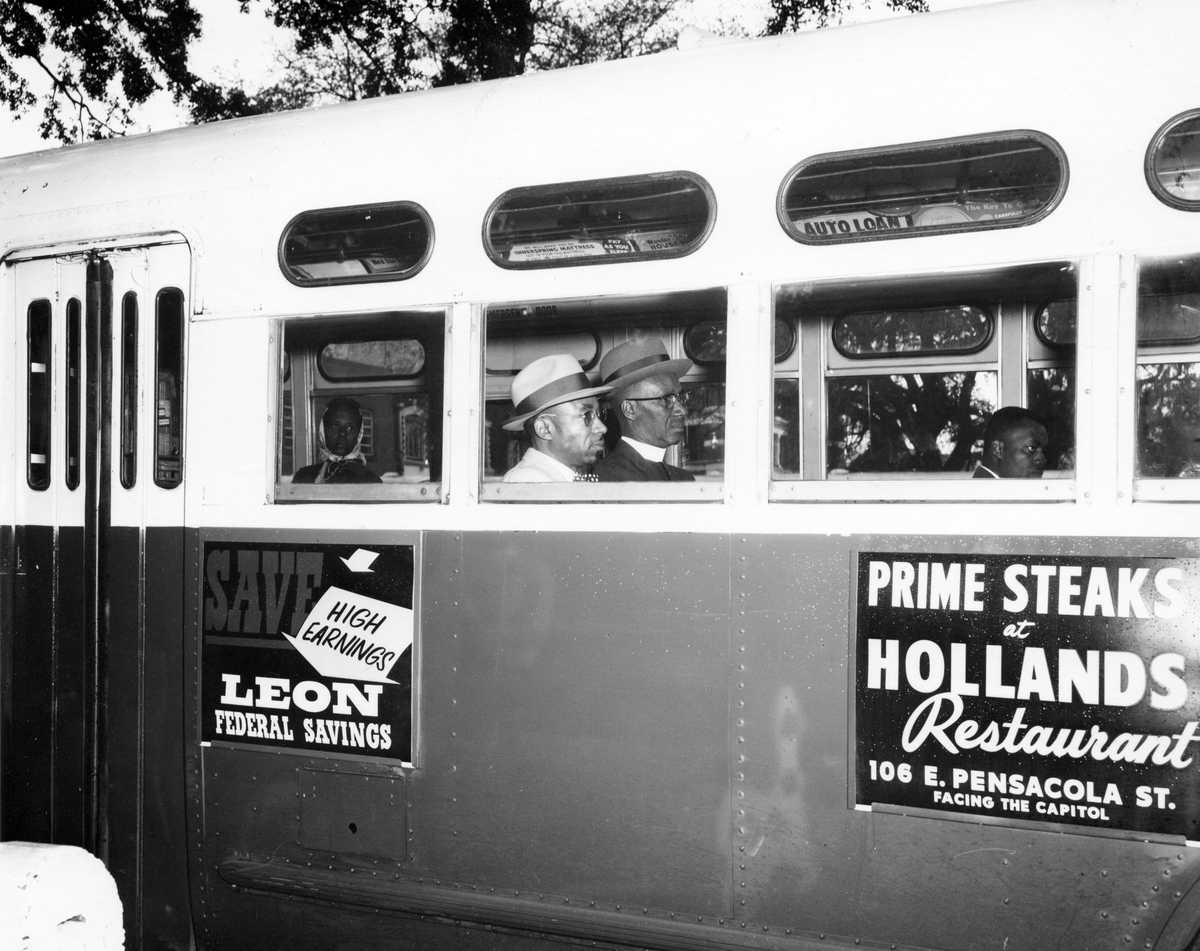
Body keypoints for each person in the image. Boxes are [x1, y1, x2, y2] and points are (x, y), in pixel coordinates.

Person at [594, 338, 695, 482]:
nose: (682, 410)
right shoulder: (610, 481)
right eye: (666, 399)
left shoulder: (683, 478)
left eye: (680, 397)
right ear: (630, 409)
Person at [502, 354, 611, 482]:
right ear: (545, 429)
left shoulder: (566, 477)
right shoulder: (528, 481)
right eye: (587, 416)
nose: (603, 428)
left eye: (599, 414)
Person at [292, 396, 382, 484]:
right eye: (335, 426)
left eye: (349, 428)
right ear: (323, 431)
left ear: (359, 434)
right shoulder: (304, 476)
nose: (342, 434)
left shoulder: (370, 481)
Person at [973, 406, 1048, 479]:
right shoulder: (981, 491)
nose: (1042, 459)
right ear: (998, 449)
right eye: (1031, 448)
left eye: (1044, 451)